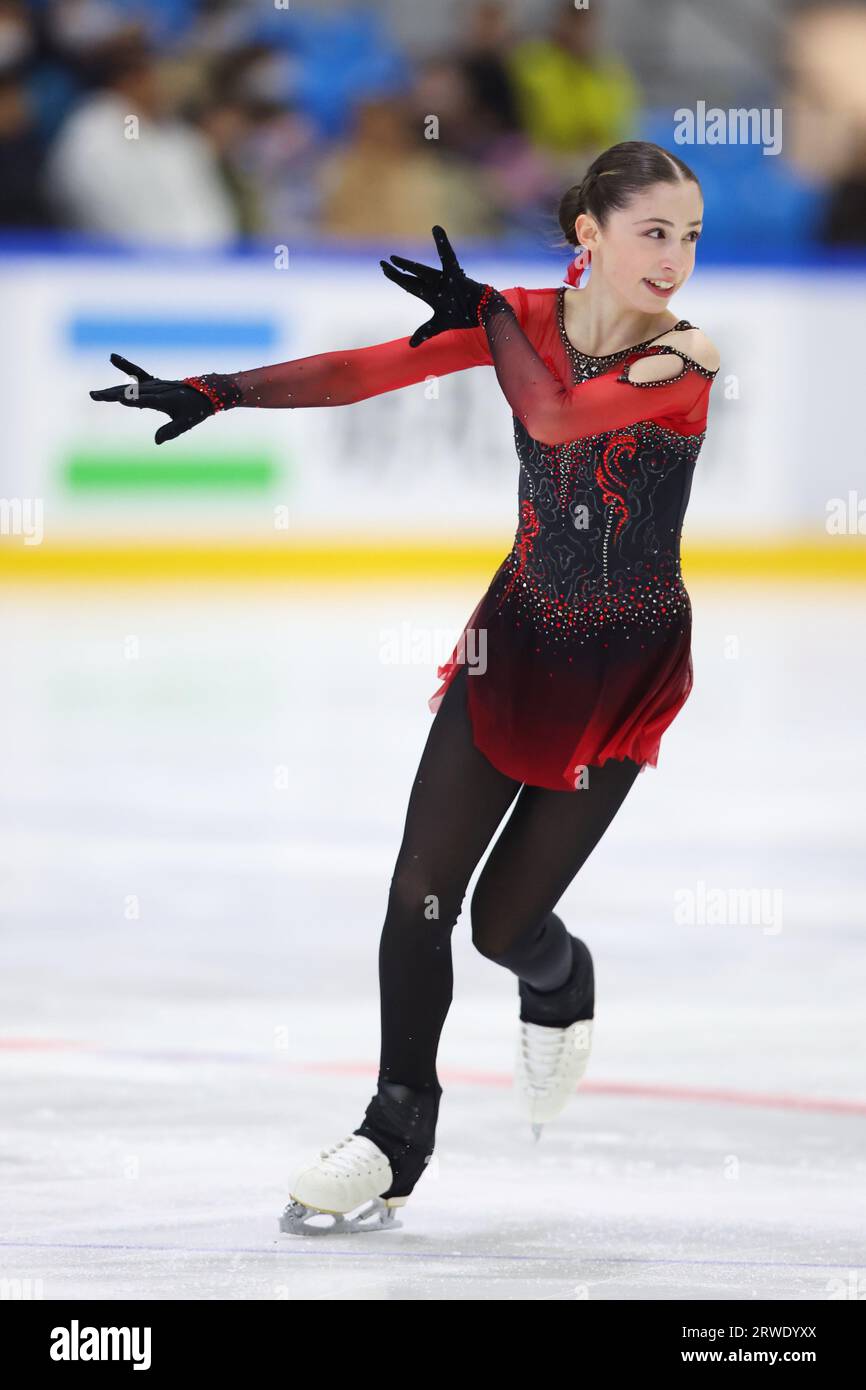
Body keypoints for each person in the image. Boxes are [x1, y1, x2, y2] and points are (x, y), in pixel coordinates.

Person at [90, 140, 720, 1235]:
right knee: (413, 897)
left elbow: (557, 417)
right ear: (591, 236)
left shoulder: (690, 353)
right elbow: (362, 372)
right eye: (652, 233)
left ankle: (558, 979)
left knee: (498, 924)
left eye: (690, 237)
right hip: (515, 639)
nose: (674, 259)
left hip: (621, 665)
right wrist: (220, 388)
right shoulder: (517, 315)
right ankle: (395, 1133)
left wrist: (486, 317)